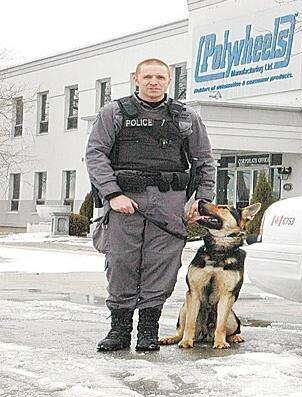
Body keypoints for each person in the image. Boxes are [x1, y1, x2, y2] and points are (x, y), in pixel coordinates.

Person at [86, 58, 216, 353]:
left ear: (169, 81)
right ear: (136, 78)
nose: (153, 82)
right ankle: (119, 330)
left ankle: (148, 329)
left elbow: (205, 160)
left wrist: (203, 200)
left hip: (168, 202)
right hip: (124, 201)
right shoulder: (114, 112)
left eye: (160, 77)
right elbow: (95, 155)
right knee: (121, 262)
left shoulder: (185, 117)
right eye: (148, 77)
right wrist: (112, 194)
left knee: (161, 264)